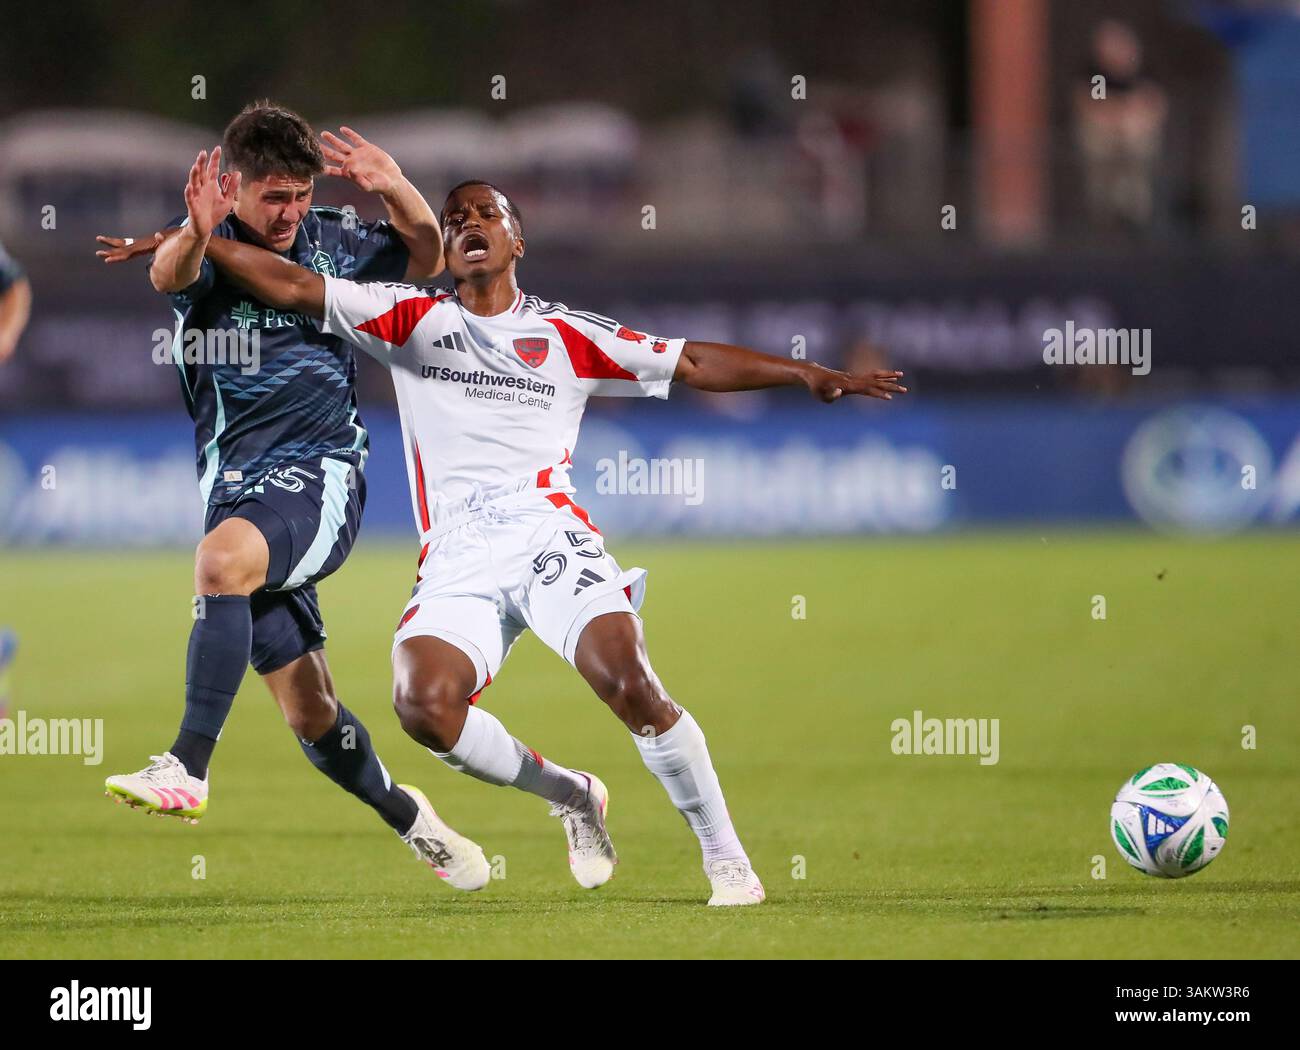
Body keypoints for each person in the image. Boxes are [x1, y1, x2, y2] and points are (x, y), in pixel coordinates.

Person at [111, 170, 907, 906]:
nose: (467, 225)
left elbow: (691, 360)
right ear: (448, 251)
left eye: (485, 213)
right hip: (458, 555)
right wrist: (193, 237)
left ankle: (723, 853)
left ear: (516, 239)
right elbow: (290, 282)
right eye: (455, 220)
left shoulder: (566, 335)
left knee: (626, 680)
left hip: (548, 536)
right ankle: (573, 796)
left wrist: (804, 374)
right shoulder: (411, 320)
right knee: (422, 705)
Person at [95, 103, 489, 892]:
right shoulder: (206, 238)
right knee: (313, 714)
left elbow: (425, 256)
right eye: (275, 196)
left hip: (323, 473)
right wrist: (196, 231)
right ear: (232, 187)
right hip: (239, 492)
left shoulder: (334, 241)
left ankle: (187, 766)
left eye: (301, 194)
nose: (290, 212)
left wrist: (397, 185)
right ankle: (412, 817)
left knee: (218, 563)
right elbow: (170, 273)